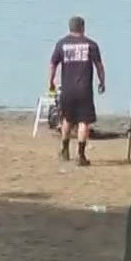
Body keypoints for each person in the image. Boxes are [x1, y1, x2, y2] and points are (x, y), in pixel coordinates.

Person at [47, 15, 106, 166]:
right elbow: (99, 65)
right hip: (84, 89)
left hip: (67, 88)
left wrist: (51, 82)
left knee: (67, 118)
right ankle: (81, 154)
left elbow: (53, 64)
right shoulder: (91, 45)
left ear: (70, 28)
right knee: (83, 121)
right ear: (83, 28)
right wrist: (102, 82)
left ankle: (65, 150)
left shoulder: (62, 44)